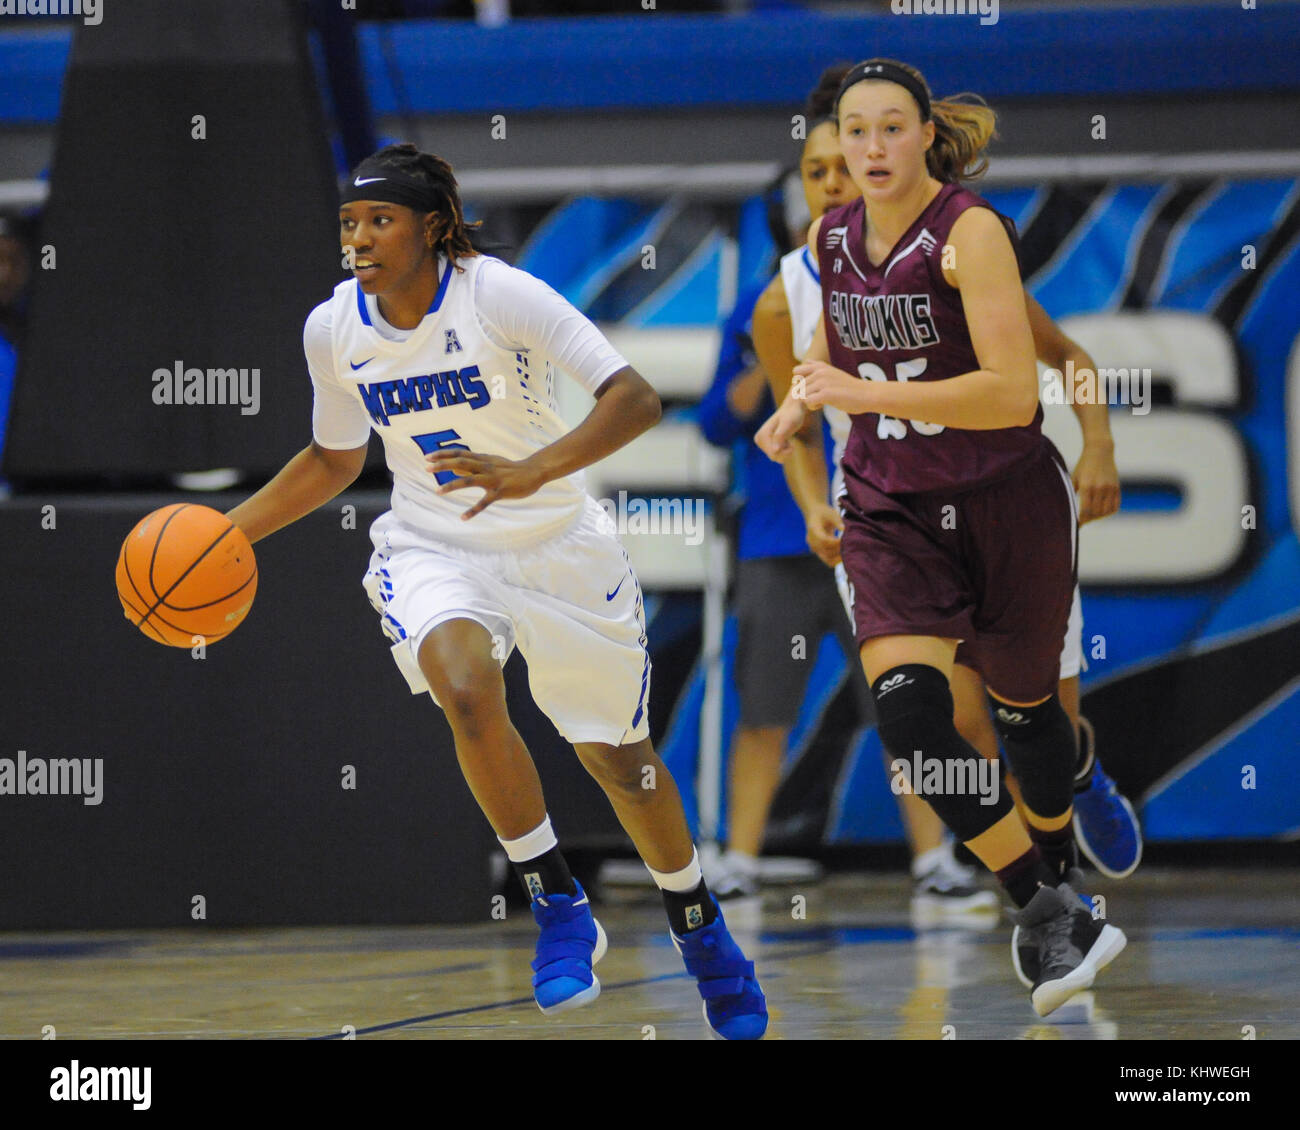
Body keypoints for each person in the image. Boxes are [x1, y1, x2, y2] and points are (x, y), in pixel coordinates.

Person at [225, 143, 767, 1039]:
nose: (358, 238)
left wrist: (529, 471)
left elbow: (632, 400)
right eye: (349, 223)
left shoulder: (498, 294)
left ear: (433, 226)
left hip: (558, 543)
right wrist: (223, 533)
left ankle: (701, 928)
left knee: (622, 766)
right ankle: (557, 901)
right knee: (467, 689)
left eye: (380, 220)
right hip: (433, 542)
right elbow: (334, 457)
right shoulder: (333, 328)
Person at [756, 60, 1127, 1016]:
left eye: (890, 128)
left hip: (1005, 501)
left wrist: (856, 393)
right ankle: (1043, 905)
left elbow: (1012, 391)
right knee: (916, 723)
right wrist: (799, 405)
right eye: (854, 131)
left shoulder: (968, 234)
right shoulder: (831, 238)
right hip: (892, 508)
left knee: (1025, 716)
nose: (870, 149)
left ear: (926, 135)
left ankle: (1056, 870)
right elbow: (830, 354)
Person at [706, 67, 997, 921]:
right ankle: (740, 859)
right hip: (782, 533)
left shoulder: (924, 260)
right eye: (817, 171)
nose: (835, 180)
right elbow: (727, 422)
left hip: (894, 520)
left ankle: (938, 857)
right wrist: (786, 380)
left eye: (846, 164)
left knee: (911, 707)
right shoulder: (774, 296)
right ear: (796, 190)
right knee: (765, 705)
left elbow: (1004, 380)